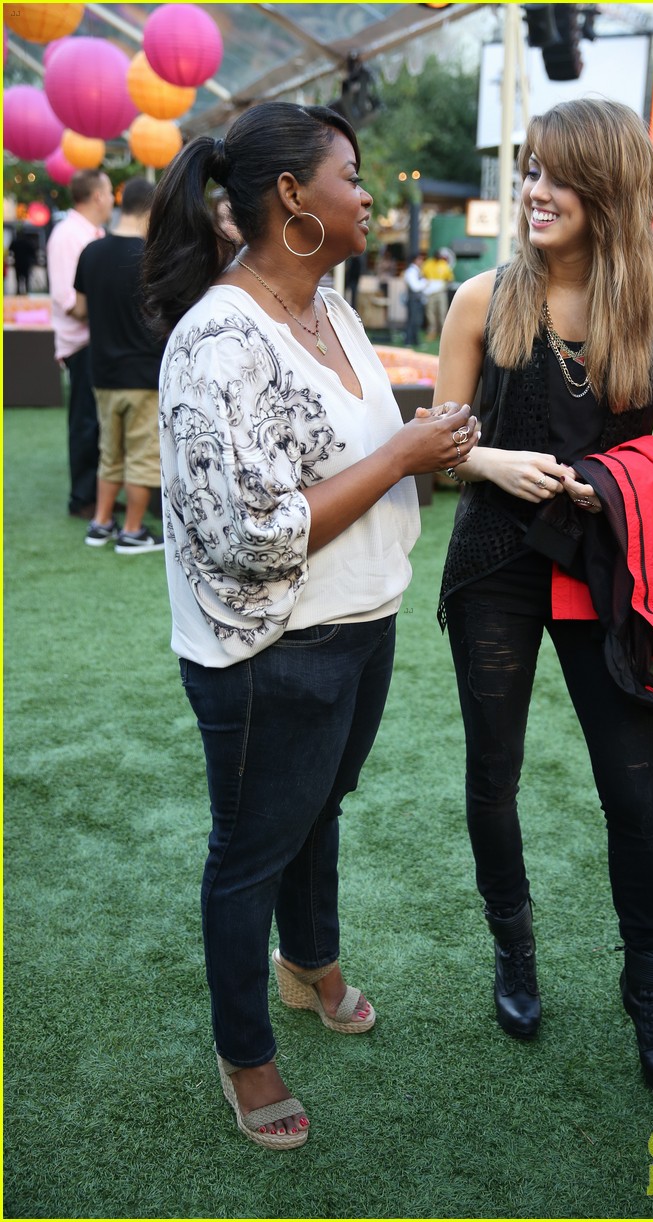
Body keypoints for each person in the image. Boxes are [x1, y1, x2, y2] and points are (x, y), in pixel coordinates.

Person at [142, 101, 477, 1150]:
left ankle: (309, 963)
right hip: (268, 651)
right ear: (294, 198)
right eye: (353, 173)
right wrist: (402, 458)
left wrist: (425, 438)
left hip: (361, 627)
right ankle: (245, 1051)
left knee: (318, 813)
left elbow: (350, 449)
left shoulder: (327, 305)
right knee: (250, 851)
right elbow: (249, 536)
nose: (370, 193)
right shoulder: (218, 340)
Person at [433, 99, 653, 1096]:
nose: (535, 191)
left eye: (556, 174)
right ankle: (515, 952)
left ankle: (644, 989)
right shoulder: (479, 299)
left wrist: (612, 481)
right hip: (496, 559)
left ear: (606, 188)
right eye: (530, 171)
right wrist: (498, 461)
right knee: (490, 772)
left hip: (610, 566)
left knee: (630, 790)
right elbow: (439, 445)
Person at [72, 177, 165, 554]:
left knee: (110, 454)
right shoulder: (151, 258)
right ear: (150, 211)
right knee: (143, 456)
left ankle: (101, 523)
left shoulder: (90, 252)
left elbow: (79, 309)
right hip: (143, 375)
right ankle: (131, 531)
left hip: (103, 372)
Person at [46, 168, 115, 518]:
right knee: (86, 422)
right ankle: (83, 498)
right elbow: (67, 300)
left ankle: (98, 494)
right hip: (81, 344)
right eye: (109, 191)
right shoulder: (67, 235)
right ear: (98, 195)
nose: (112, 198)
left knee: (100, 422)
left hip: (96, 339)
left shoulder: (90, 232)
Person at [421, 248, 454, 339]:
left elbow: (449, 278)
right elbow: (423, 276)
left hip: (440, 292)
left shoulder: (444, 265)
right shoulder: (428, 263)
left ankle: (443, 333)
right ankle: (432, 331)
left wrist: (444, 286)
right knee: (430, 312)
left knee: (442, 311)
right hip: (430, 292)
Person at [403, 251, 427, 345]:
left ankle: (414, 341)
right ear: (415, 260)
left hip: (417, 299)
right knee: (412, 321)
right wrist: (424, 283)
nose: (421, 261)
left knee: (416, 321)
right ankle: (408, 342)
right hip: (413, 299)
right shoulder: (411, 272)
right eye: (420, 259)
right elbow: (415, 287)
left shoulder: (416, 271)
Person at [9, 227, 37, 295]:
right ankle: (26, 290)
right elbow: (33, 252)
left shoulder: (16, 241)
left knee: (18, 277)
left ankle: (18, 291)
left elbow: (10, 250)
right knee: (26, 277)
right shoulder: (28, 241)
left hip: (18, 261)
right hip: (26, 262)